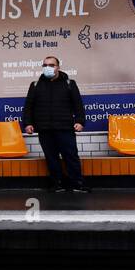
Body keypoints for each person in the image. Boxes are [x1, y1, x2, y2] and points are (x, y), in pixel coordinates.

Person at [21, 56, 90, 193]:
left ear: (58, 67)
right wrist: (28, 123)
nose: (48, 67)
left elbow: (78, 105)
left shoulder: (69, 83)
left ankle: (77, 183)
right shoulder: (35, 85)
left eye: (52, 65)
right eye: (45, 65)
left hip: (65, 128)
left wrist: (80, 121)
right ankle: (57, 184)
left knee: (71, 156)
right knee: (51, 158)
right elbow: (28, 106)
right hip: (45, 129)